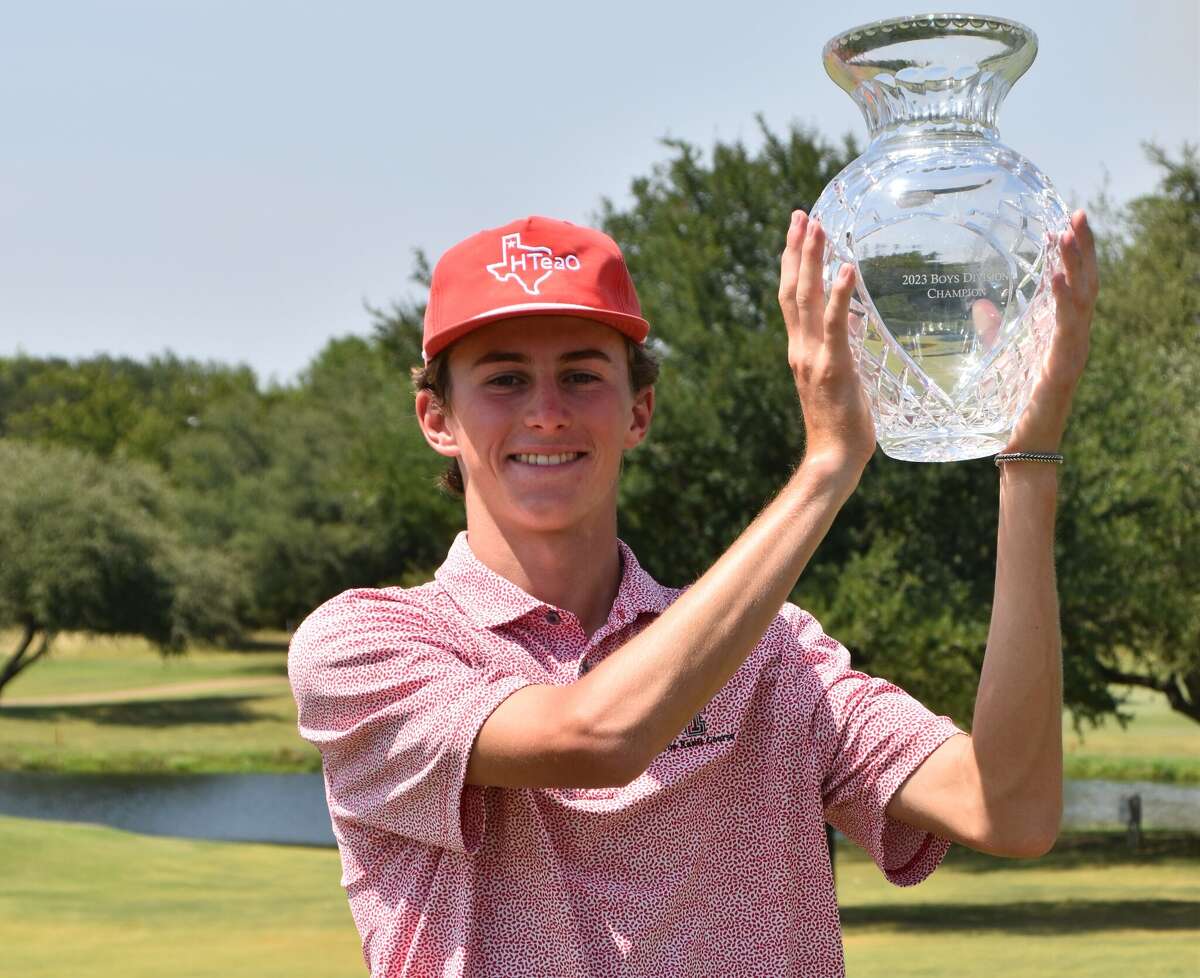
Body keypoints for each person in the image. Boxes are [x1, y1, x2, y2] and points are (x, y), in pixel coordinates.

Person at [288, 211, 1098, 977]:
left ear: (638, 411)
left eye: (581, 376)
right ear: (437, 418)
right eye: (504, 380)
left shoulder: (774, 652)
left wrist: (1026, 469)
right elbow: (598, 737)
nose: (545, 413)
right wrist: (826, 468)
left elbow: (1011, 809)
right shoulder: (362, 645)